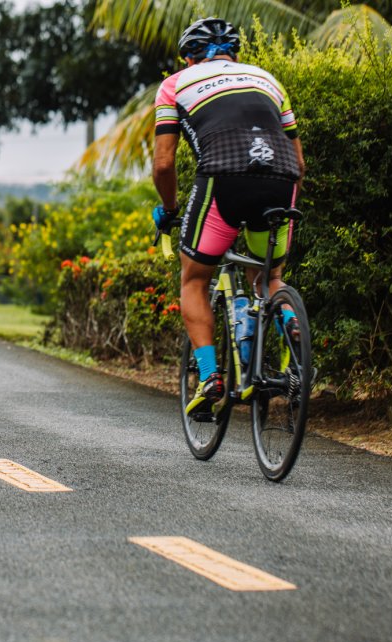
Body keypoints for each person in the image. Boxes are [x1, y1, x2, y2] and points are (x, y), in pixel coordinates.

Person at [150, 17, 306, 414]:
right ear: (235, 54)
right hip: (282, 178)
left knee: (194, 278)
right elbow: (300, 163)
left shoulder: (174, 85)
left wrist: (169, 211)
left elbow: (164, 164)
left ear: (188, 58)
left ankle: (209, 377)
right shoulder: (267, 79)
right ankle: (287, 322)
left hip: (224, 178)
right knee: (268, 276)